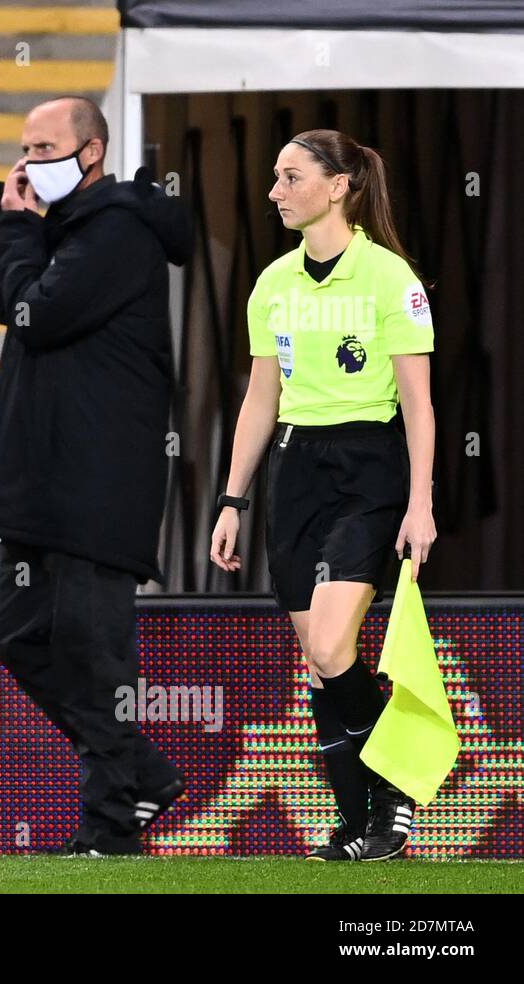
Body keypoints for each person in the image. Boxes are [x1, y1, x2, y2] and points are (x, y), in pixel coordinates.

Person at [0, 96, 190, 856]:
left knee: (96, 652)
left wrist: (24, 231)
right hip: (37, 482)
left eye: (46, 148)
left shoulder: (120, 230)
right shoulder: (47, 226)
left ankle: (111, 827)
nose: (31, 162)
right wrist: (3, 210)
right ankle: (142, 774)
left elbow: (40, 312)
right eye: (23, 148)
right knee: (17, 635)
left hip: (99, 484)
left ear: (91, 152)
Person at [210, 129, 436, 862]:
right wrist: (232, 500)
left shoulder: (388, 277)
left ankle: (394, 795)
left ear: (339, 185)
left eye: (291, 176)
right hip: (294, 468)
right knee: (318, 658)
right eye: (275, 178)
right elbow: (259, 399)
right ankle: (356, 824)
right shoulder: (273, 283)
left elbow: (419, 405)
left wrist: (420, 502)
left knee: (337, 644)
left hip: (367, 468)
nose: (275, 192)